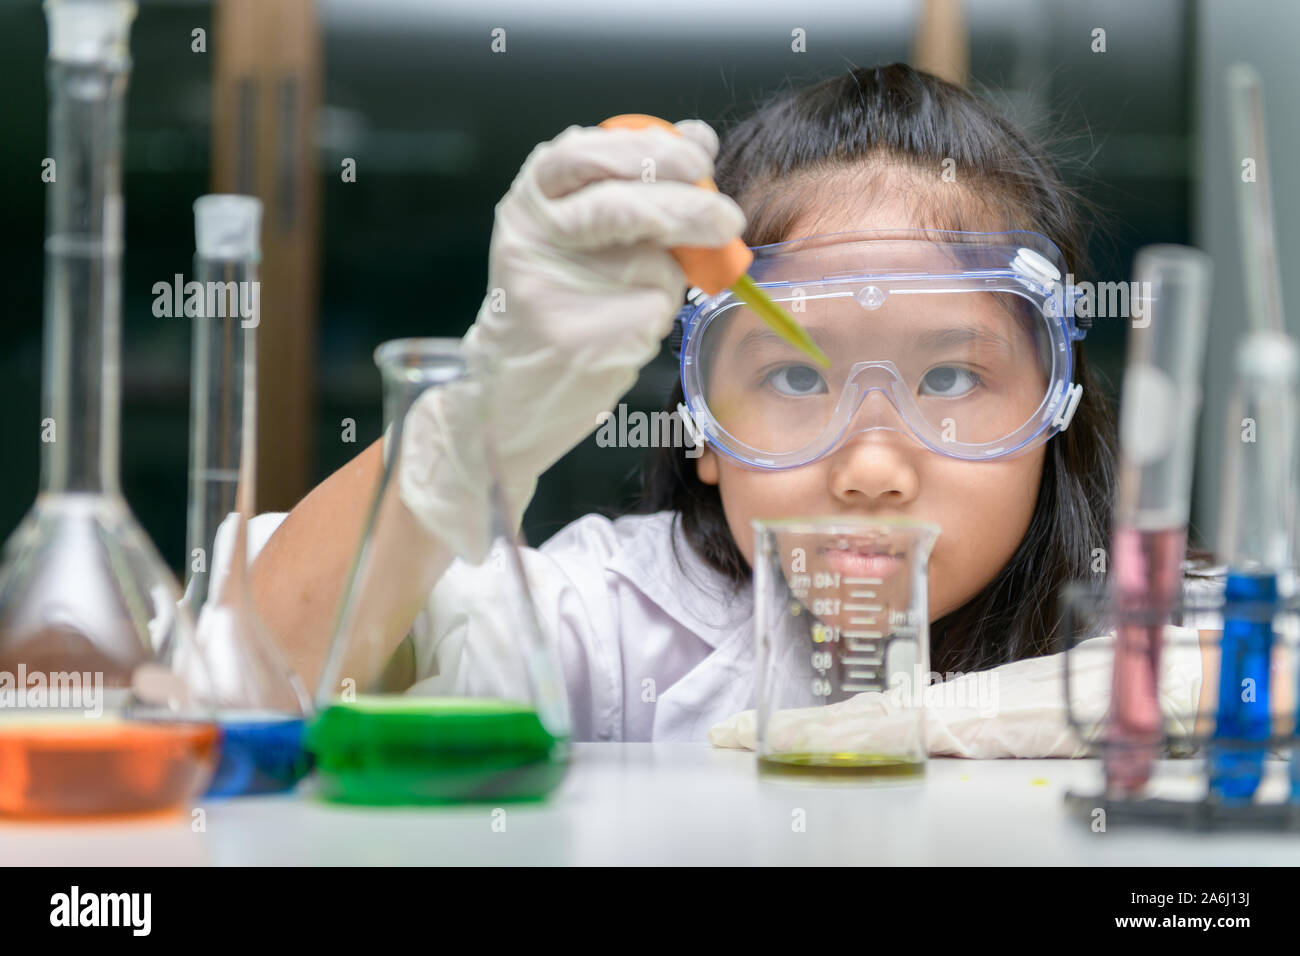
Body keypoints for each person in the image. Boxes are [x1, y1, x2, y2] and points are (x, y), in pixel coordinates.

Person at [243, 63, 1220, 753]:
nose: (871, 467)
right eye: (796, 378)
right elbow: (260, 678)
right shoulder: (613, 621)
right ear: (702, 426)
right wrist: (479, 420)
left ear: (1053, 410)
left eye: (950, 378)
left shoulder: (1138, 629)